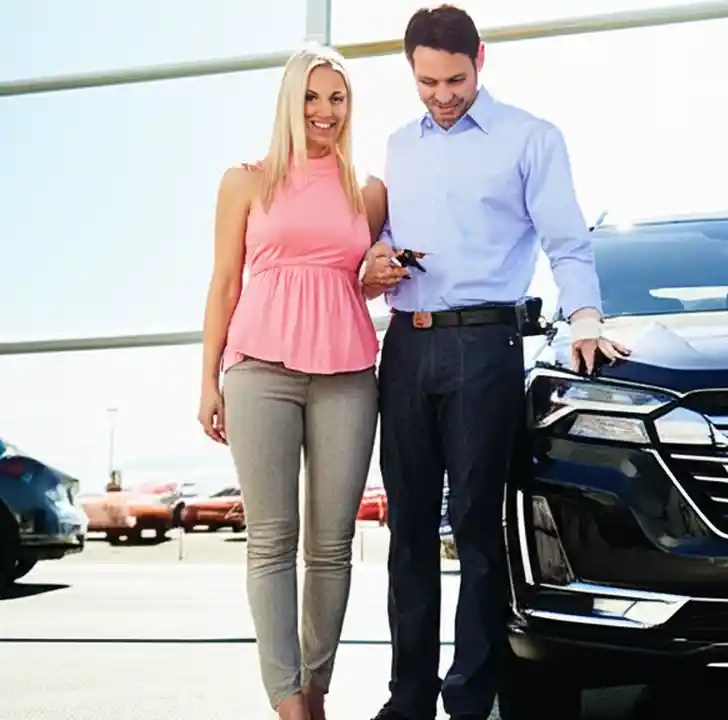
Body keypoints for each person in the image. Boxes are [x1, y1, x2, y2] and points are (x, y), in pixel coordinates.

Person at [358, 6, 629, 719]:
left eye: (454, 80)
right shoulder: (397, 146)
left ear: (480, 60)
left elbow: (567, 241)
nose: (442, 95)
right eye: (427, 83)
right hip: (406, 345)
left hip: (485, 347)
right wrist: (378, 260)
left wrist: (586, 318)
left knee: (478, 530)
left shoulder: (530, 138)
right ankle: (408, 698)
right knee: (408, 531)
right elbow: (380, 236)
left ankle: (471, 699)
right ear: (410, 71)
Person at [198, 43, 401, 720]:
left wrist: (377, 267)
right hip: (259, 372)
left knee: (332, 546)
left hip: (348, 375)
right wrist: (208, 380)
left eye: (337, 98)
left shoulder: (368, 191)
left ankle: (315, 692)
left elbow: (365, 274)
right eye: (312, 97)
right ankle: (288, 706)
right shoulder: (245, 181)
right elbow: (224, 284)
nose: (324, 111)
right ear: (290, 102)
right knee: (271, 542)